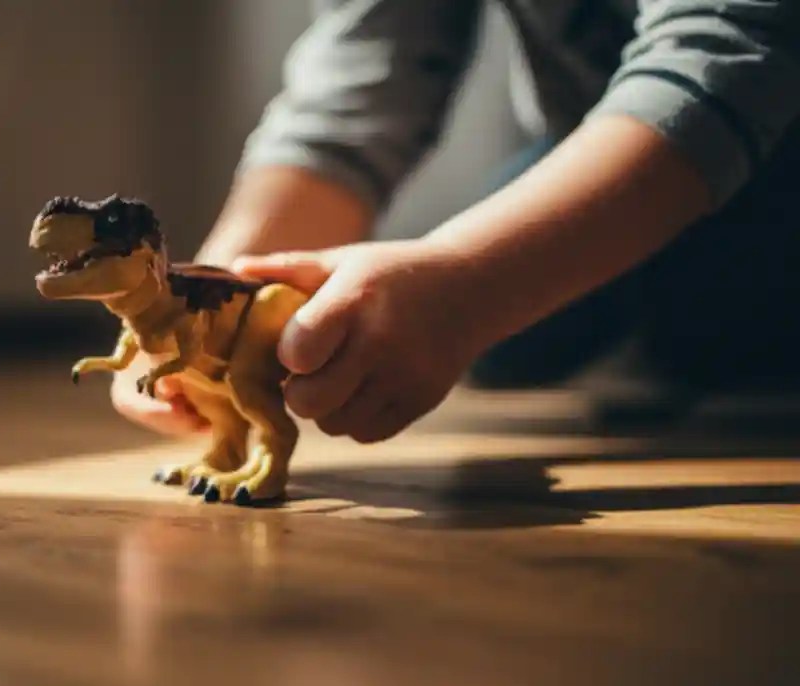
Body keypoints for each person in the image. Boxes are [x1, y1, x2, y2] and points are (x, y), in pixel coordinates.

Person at [113, 0, 800, 443]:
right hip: (607, 133)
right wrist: (202, 290)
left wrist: (472, 283)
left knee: (496, 304)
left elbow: (732, 57)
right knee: (501, 348)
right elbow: (359, 88)